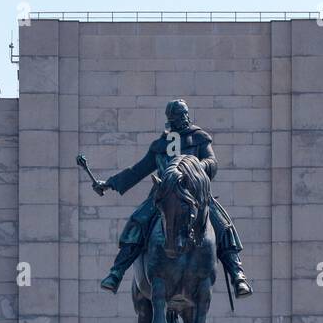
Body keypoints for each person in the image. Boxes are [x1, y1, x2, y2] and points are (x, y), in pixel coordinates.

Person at [94, 99, 253, 298]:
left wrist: (194, 168)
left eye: (183, 116)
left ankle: (237, 274)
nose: (181, 120)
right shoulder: (161, 144)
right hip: (163, 196)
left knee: (223, 225)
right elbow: (137, 171)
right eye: (177, 118)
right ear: (170, 120)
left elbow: (212, 162)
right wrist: (109, 183)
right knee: (137, 222)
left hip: (196, 195)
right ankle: (116, 272)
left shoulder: (199, 138)